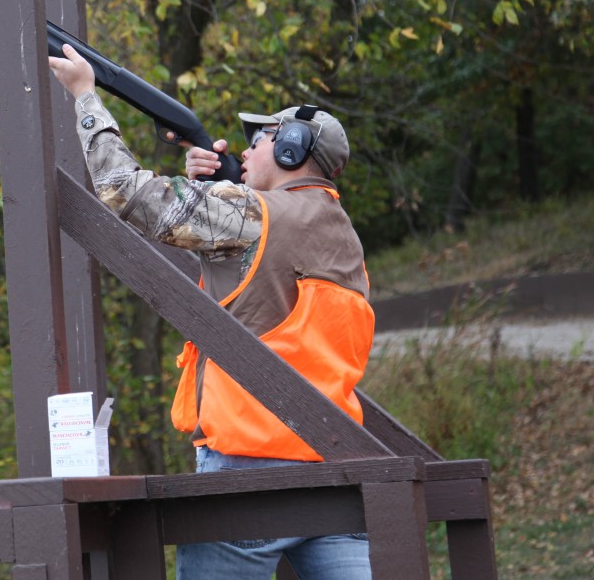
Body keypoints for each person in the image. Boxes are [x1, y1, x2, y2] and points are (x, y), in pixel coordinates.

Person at [47, 44, 375, 580]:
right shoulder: (346, 240)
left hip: (248, 474)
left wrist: (86, 94)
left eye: (260, 139)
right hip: (337, 469)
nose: (246, 148)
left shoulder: (253, 214)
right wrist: (213, 183)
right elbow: (260, 289)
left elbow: (122, 189)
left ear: (291, 149)